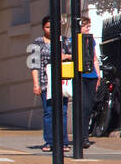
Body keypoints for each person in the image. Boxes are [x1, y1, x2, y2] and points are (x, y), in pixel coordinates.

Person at [26, 16, 72, 152]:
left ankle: (63, 142)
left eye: (52, 27)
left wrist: (66, 56)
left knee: (62, 112)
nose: (50, 30)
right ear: (43, 28)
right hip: (46, 82)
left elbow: (74, 55)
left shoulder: (63, 41)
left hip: (62, 81)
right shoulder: (37, 43)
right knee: (48, 112)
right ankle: (49, 141)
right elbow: (33, 65)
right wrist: (36, 84)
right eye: (47, 27)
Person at [78, 17, 101, 148]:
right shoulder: (73, 41)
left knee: (89, 106)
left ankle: (85, 136)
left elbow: (94, 58)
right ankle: (82, 136)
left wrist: (98, 76)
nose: (88, 28)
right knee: (84, 106)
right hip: (81, 76)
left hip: (91, 76)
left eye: (89, 26)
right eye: (86, 25)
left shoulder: (90, 40)